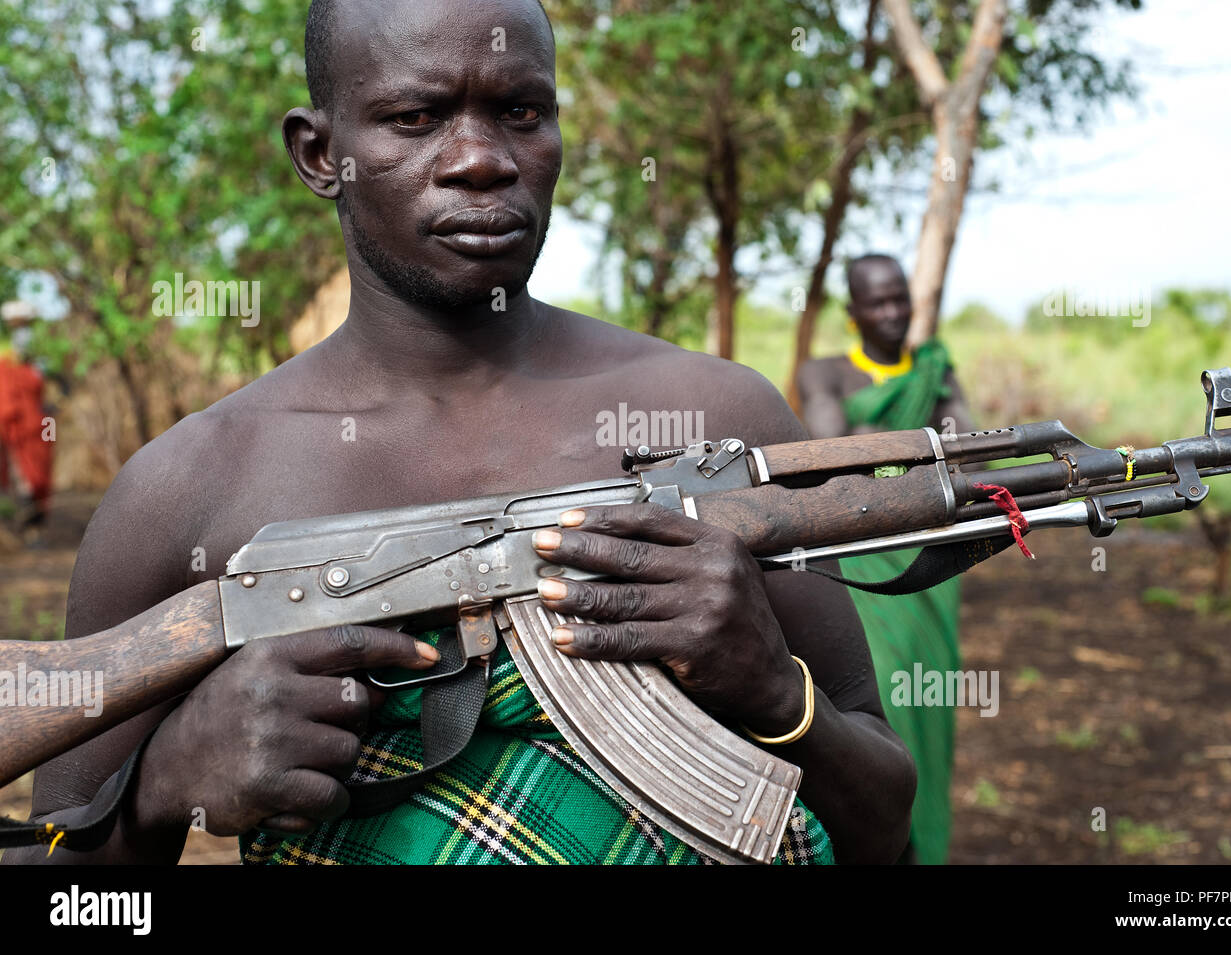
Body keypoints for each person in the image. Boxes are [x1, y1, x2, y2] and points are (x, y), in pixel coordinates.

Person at [7, 0, 914, 866]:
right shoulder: (186, 490)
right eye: (415, 117)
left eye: (521, 110)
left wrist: (773, 691)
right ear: (320, 153)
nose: (481, 159)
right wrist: (163, 790)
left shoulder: (722, 419)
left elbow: (882, 831)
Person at [796, 253, 974, 864]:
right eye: (877, 302)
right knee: (884, 700)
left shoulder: (935, 370)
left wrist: (911, 466)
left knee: (930, 702)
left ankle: (925, 844)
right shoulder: (824, 373)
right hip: (865, 560)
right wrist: (923, 463)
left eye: (901, 298)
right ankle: (881, 842)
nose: (893, 312)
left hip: (930, 560)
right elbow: (834, 454)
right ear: (853, 312)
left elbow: (969, 457)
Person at [0, 301, 53, 531]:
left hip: (38, 429)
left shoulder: (42, 362)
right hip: (11, 430)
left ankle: (35, 526)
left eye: (26, 325)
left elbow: (50, 396)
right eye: (17, 326)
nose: (23, 331)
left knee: (38, 478)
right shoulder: (5, 363)